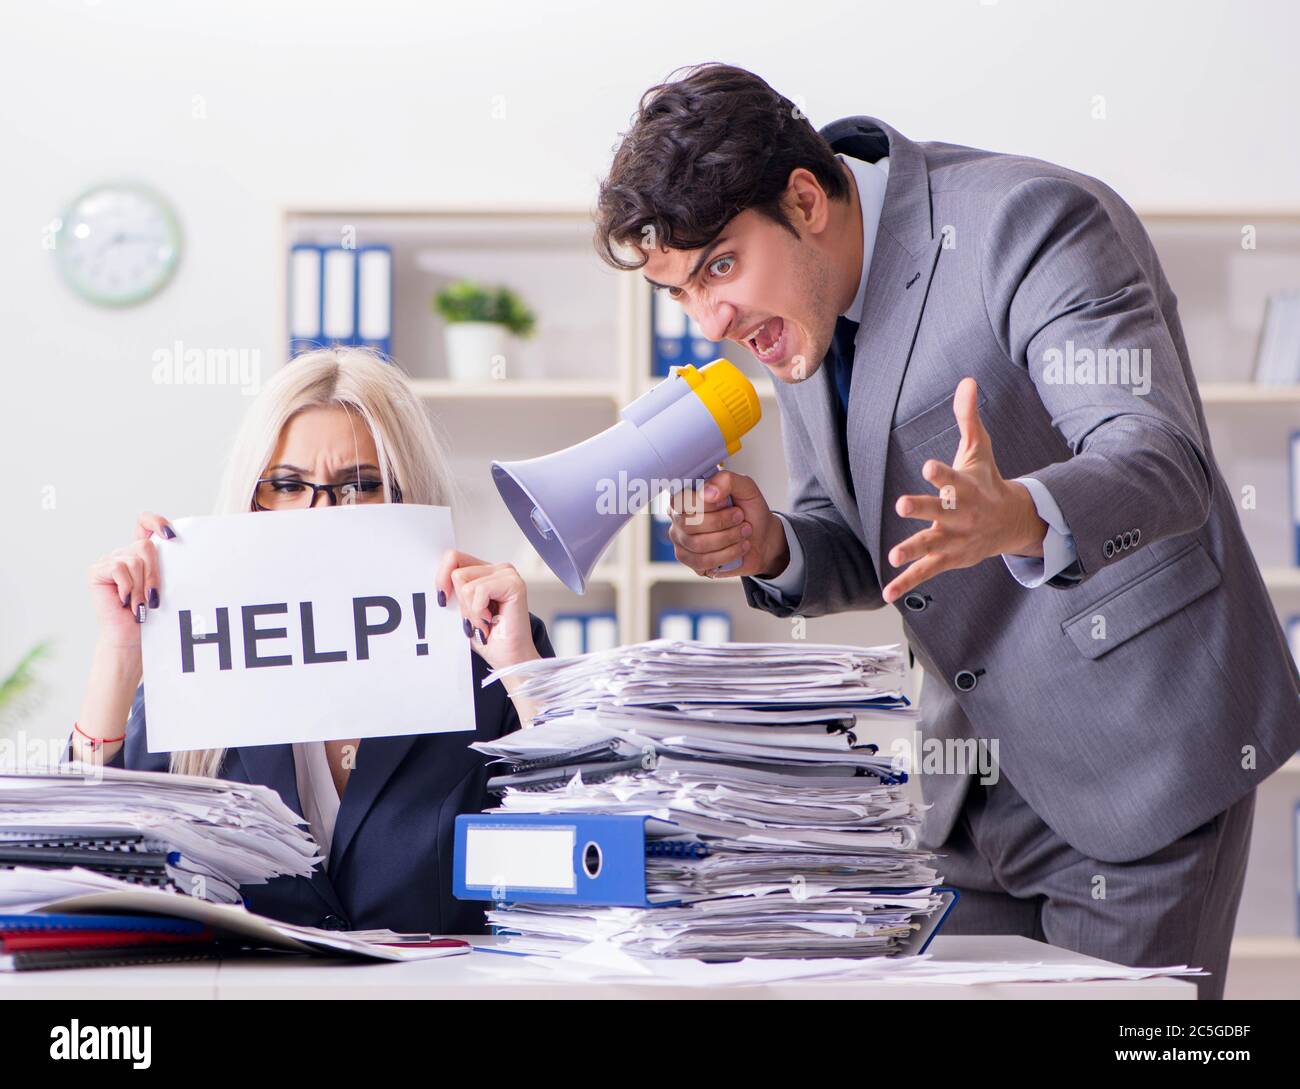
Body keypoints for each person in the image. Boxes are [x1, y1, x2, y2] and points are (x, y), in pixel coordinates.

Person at [594, 62, 1300, 999]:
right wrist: (775, 545)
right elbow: (877, 536)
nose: (711, 318)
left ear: (805, 199)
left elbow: (1160, 455)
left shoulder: (1034, 222)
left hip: (1140, 759)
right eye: (680, 291)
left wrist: (1022, 512)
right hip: (966, 796)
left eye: (719, 266)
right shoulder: (790, 311)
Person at [68, 346, 553, 936]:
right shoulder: (203, 653)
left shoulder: (490, 651)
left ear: (405, 494)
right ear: (252, 500)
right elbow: (85, 855)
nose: (319, 513)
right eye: (288, 485)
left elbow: (588, 846)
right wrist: (120, 653)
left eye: (358, 485)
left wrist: (521, 670)